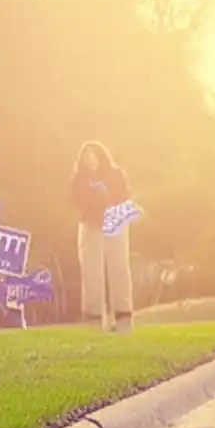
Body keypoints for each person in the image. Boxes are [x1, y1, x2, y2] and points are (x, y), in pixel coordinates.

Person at [70, 141, 134, 332]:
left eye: (93, 155)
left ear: (101, 156)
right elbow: (75, 201)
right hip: (90, 224)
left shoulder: (116, 174)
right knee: (91, 269)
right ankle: (94, 315)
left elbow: (124, 195)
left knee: (119, 266)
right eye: (86, 157)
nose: (90, 160)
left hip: (115, 222)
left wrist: (107, 197)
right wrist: (90, 193)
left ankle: (123, 314)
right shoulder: (79, 178)